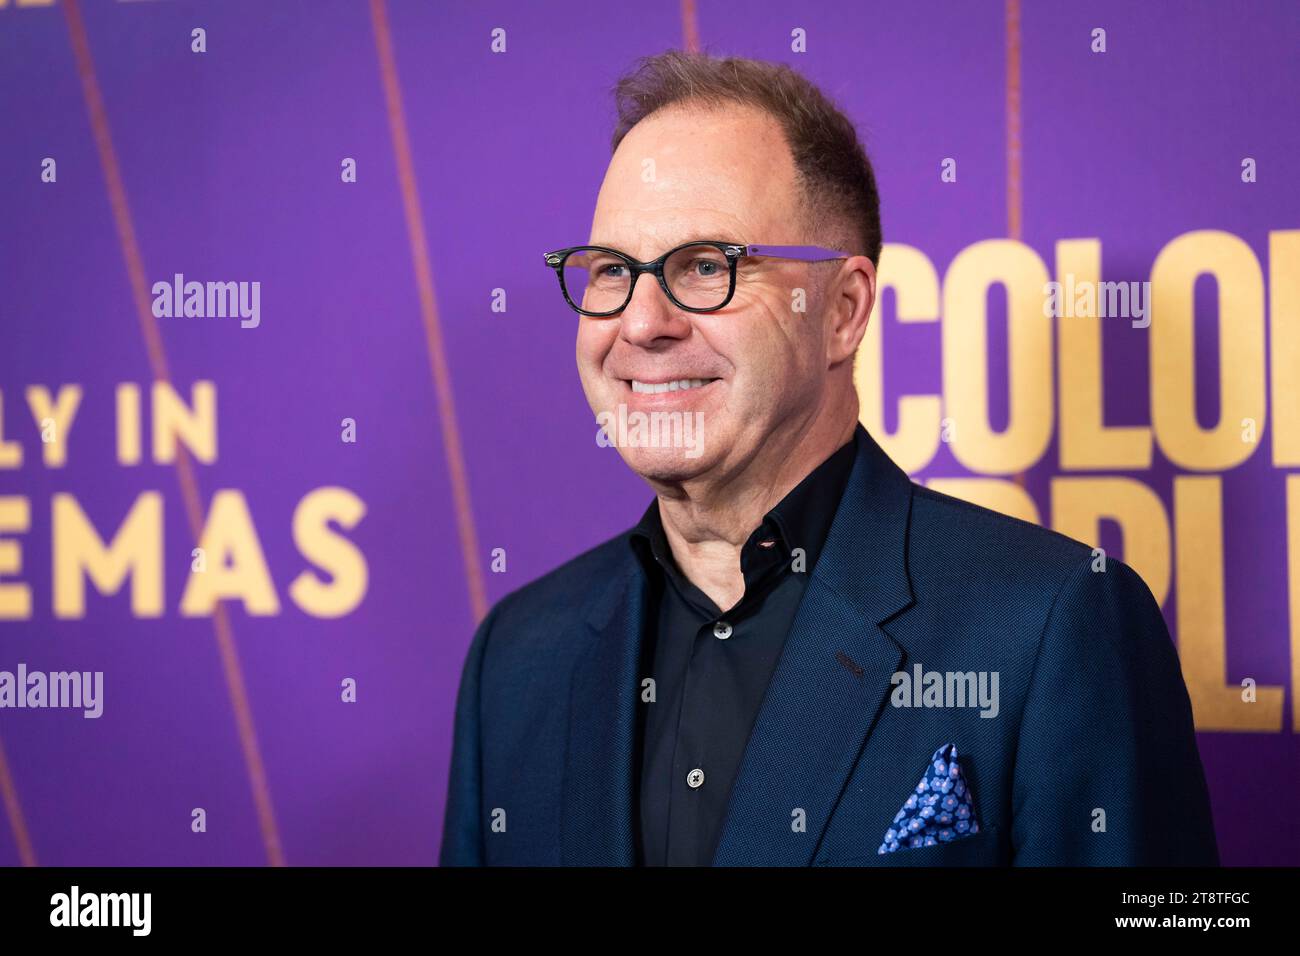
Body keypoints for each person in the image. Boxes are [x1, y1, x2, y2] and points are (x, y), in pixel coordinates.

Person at [439, 50, 1218, 866]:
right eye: (612, 272)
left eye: (706, 266)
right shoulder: (518, 658)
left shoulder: (1052, 627)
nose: (641, 324)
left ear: (843, 312)